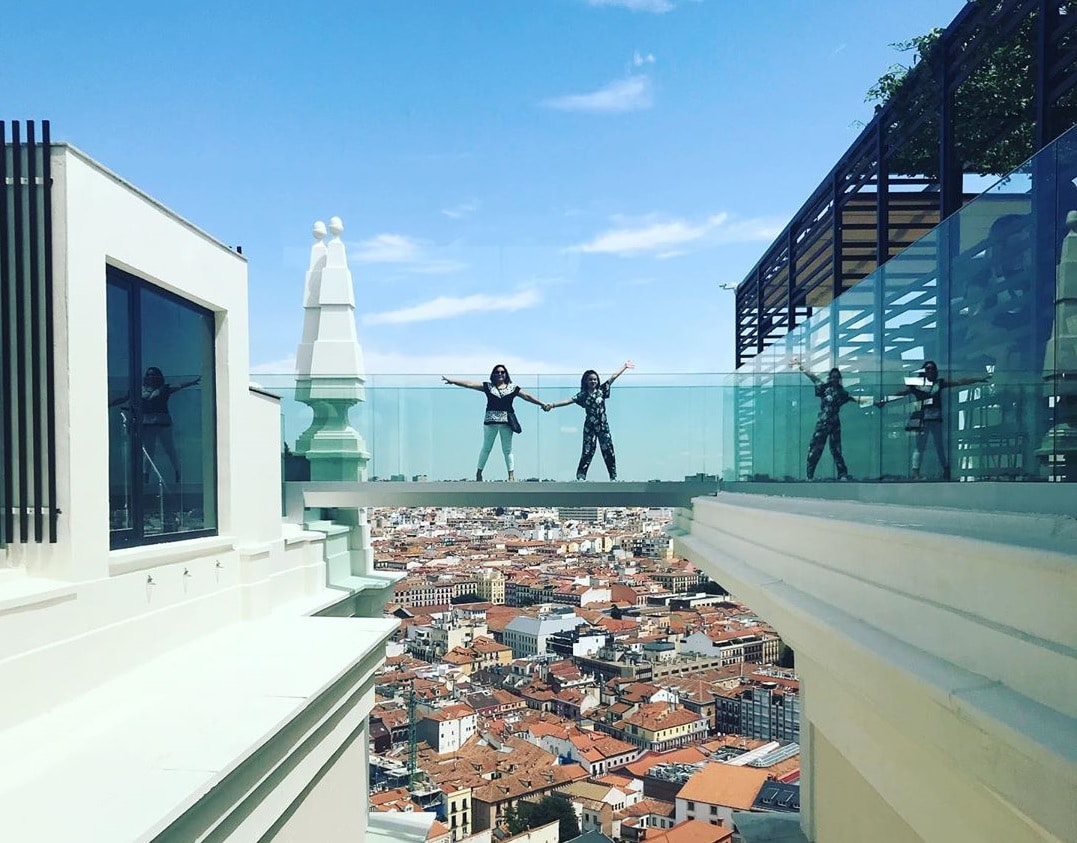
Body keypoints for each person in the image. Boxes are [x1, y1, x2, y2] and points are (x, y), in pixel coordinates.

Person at [875, 360, 990, 480]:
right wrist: (884, 401)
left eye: (932, 369)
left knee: (939, 446)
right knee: (920, 447)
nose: (930, 371)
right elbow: (901, 393)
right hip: (922, 419)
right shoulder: (917, 384)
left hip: (935, 419)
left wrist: (977, 379)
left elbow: (960, 382)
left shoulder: (938, 383)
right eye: (927, 369)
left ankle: (945, 470)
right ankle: (916, 472)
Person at [442, 365, 545, 481]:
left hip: (507, 422)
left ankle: (511, 475)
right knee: (486, 448)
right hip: (490, 421)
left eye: (502, 372)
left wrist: (542, 404)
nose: (500, 374)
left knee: (507, 449)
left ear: (506, 374)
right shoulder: (488, 387)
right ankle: (479, 473)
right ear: (493, 374)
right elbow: (469, 384)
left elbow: (527, 396)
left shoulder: (512, 388)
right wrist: (453, 381)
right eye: (497, 372)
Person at [545, 361, 634, 480]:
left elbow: (613, 377)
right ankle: (581, 476)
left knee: (608, 450)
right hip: (589, 427)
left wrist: (624, 367)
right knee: (587, 451)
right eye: (590, 380)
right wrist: (553, 405)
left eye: (595, 379)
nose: (593, 382)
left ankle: (613, 476)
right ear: (586, 381)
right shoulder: (583, 395)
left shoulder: (601, 391)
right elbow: (569, 400)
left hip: (603, 426)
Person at [792, 359, 874, 481]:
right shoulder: (824, 388)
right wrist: (800, 366)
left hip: (835, 423)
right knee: (815, 449)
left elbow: (855, 399)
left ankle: (842, 474)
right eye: (833, 377)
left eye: (837, 377)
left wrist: (875, 403)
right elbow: (813, 377)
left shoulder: (842, 393)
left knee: (836, 450)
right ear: (830, 378)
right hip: (823, 423)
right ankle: (810, 475)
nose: (835, 379)